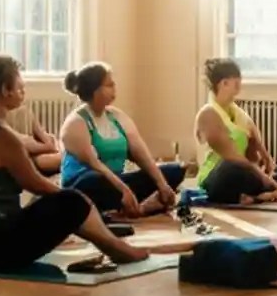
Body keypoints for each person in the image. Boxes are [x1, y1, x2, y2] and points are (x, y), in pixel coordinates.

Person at [0, 54, 147, 271]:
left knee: (69, 201)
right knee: (72, 201)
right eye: (20, 86)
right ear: (6, 90)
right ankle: (115, 247)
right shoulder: (0, 137)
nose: (23, 91)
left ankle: (111, 241)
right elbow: (36, 184)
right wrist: (81, 203)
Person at [59, 62, 184, 219]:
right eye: (109, 85)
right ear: (95, 89)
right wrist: (124, 190)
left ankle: (136, 208)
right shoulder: (75, 123)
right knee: (96, 180)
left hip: (116, 183)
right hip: (85, 186)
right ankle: (133, 207)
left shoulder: (117, 116)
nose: (114, 88)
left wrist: (162, 184)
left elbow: (142, 156)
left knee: (174, 171)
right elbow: (95, 166)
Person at [193, 58, 277, 204]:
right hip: (214, 179)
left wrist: (268, 162)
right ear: (224, 83)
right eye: (236, 81)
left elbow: (256, 142)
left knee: (256, 172)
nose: (240, 84)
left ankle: (249, 195)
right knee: (231, 166)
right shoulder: (208, 114)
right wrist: (262, 178)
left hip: (240, 171)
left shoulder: (238, 113)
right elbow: (232, 156)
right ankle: (248, 195)